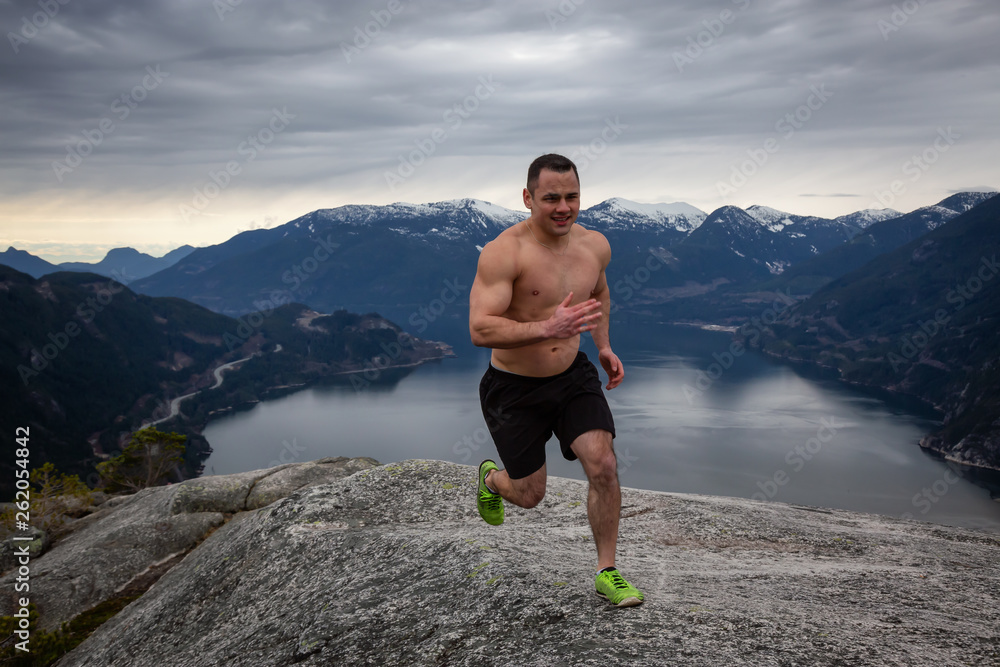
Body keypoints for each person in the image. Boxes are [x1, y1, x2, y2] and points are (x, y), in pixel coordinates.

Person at [468, 153, 644, 607]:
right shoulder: (504, 252)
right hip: (513, 388)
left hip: (572, 378)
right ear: (528, 198)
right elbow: (480, 328)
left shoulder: (595, 246)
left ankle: (608, 571)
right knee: (529, 495)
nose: (563, 206)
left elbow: (599, 293)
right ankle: (492, 481)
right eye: (551, 198)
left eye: (572, 196)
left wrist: (602, 346)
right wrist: (547, 328)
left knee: (602, 463)